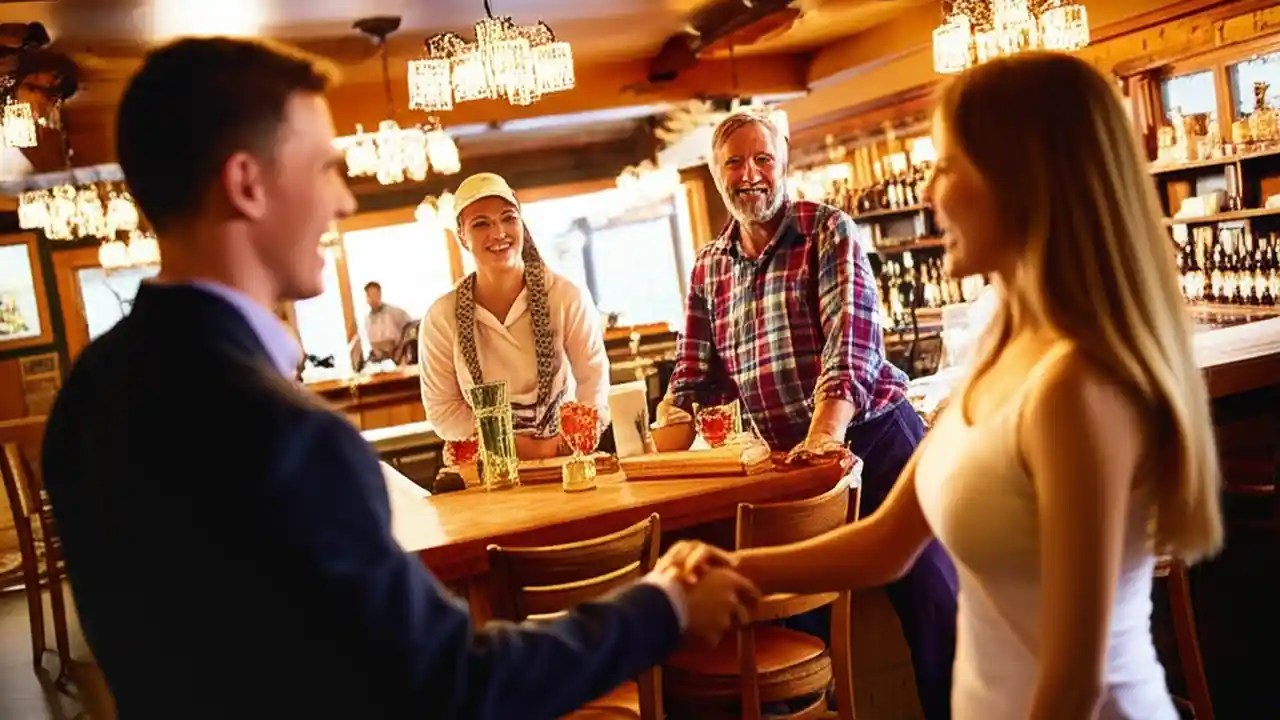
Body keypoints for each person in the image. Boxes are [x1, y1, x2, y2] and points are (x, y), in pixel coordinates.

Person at [41, 37, 760, 719]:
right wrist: (661, 606)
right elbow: (452, 686)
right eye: (325, 168)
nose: (344, 202)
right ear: (247, 183)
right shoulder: (292, 438)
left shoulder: (89, 397)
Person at [667, 53, 1225, 720]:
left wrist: (824, 434)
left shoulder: (1077, 385)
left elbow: (1075, 683)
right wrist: (733, 571)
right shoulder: (999, 349)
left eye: (948, 165)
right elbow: (886, 544)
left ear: (1023, 179)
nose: (929, 193)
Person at [657, 108, 958, 718]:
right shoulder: (709, 267)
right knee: (799, 633)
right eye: (733, 163)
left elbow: (851, 345)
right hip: (792, 470)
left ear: (784, 162)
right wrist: (664, 423)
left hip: (878, 441)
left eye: (762, 159)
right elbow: (692, 376)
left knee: (939, 612)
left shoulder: (829, 231)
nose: (750, 175)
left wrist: (827, 433)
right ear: (715, 175)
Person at [419, 172, 609, 460]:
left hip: (566, 457)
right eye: (481, 224)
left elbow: (593, 381)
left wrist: (569, 442)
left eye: (508, 218)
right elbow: (443, 410)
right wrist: (521, 448)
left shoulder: (564, 295)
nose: (499, 233)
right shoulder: (442, 317)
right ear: (461, 236)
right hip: (488, 467)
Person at [363, 280, 412, 362]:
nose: (372, 298)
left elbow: (411, 327)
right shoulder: (367, 320)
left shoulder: (395, 312)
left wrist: (402, 348)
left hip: (399, 357)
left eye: (374, 294)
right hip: (382, 360)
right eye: (369, 295)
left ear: (379, 295)